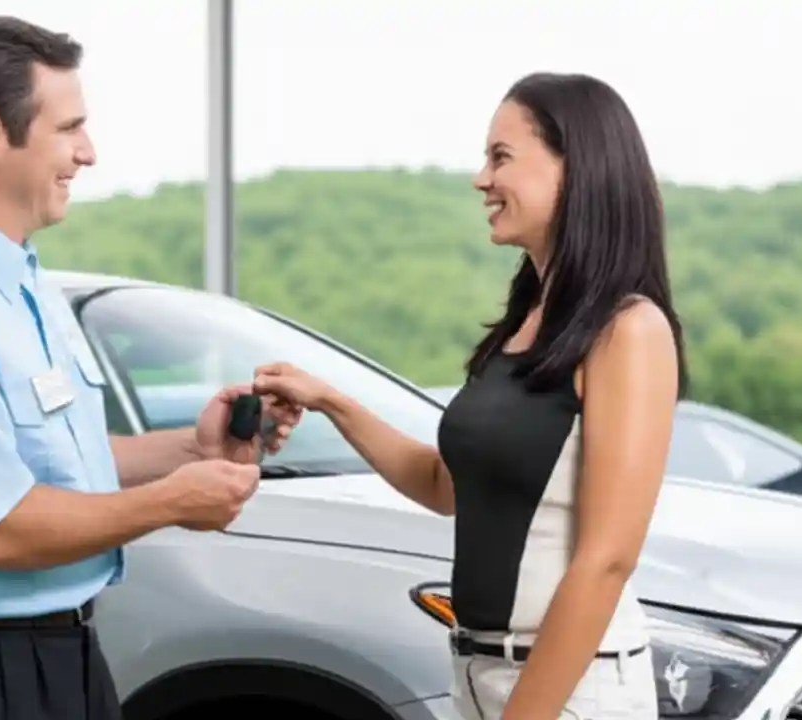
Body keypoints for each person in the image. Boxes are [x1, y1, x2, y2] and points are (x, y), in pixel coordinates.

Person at [0, 15, 300, 720]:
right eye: (69, 127)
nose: (89, 153)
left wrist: (189, 451)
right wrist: (173, 502)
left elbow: (44, 467)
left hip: (63, 657)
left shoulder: (21, 284)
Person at [252, 72, 685, 720]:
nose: (481, 179)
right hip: (479, 677)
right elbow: (443, 485)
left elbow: (605, 562)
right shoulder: (525, 326)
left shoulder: (628, 330)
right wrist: (330, 401)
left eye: (500, 157)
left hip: (572, 693)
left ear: (575, 168)